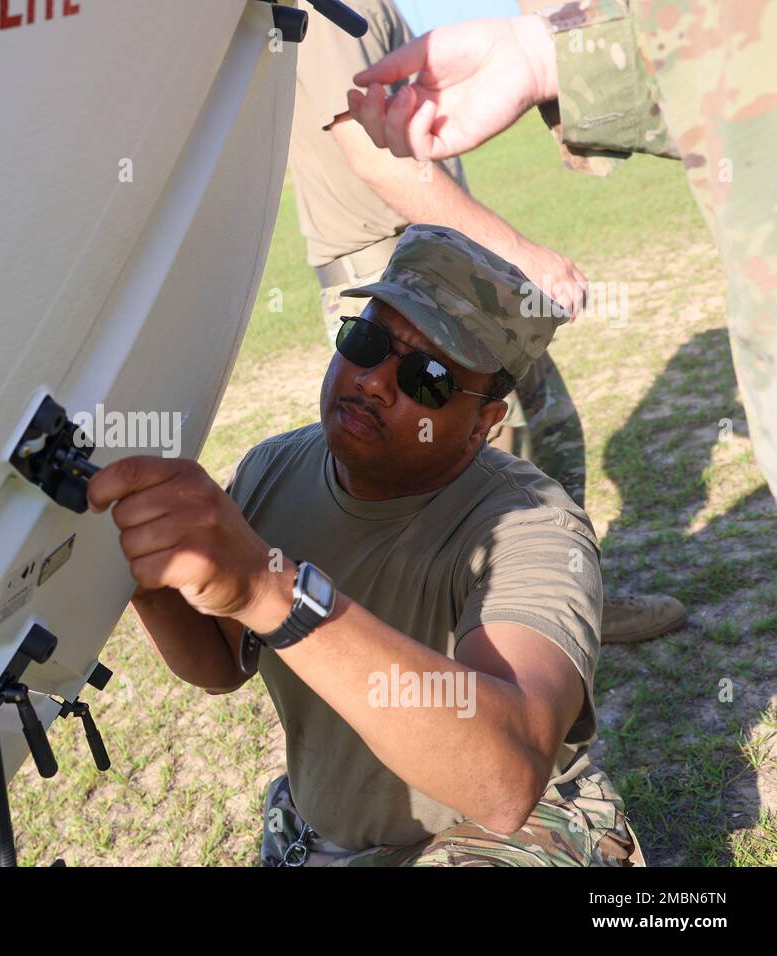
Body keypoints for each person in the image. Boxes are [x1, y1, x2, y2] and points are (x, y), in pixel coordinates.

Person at [87, 225, 643, 866]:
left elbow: (507, 781)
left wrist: (274, 591)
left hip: (503, 834)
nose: (375, 381)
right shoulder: (274, 469)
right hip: (328, 829)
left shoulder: (533, 525)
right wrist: (146, 578)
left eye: (427, 378)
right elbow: (223, 663)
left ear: (484, 424)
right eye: (366, 339)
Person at [287, 0, 684, 643]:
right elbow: (369, 150)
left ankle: (565, 602)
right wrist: (517, 251)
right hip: (397, 266)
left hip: (427, 255)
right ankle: (503, 640)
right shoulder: (332, 7)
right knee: (469, 468)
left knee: (531, 430)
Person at [343, 0, 777, 509]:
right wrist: (543, 59)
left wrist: (544, 58)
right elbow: (369, 151)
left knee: (513, 455)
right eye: (359, 342)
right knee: (438, 491)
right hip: (405, 275)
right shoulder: (338, 13)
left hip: (447, 269)